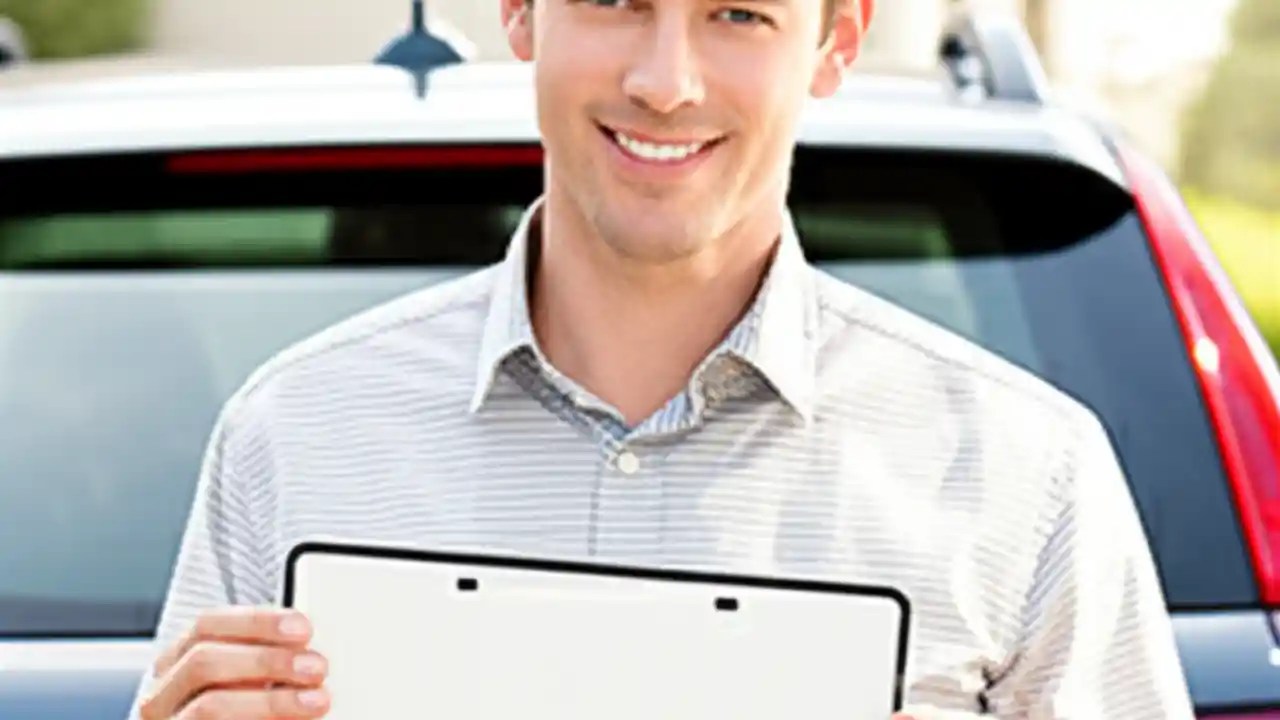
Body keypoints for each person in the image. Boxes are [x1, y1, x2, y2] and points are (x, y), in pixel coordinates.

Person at [130, 0, 1197, 718]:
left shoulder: (1027, 475)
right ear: (517, 11)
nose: (664, 81)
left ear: (835, 40)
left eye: (735, 13)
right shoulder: (293, 434)